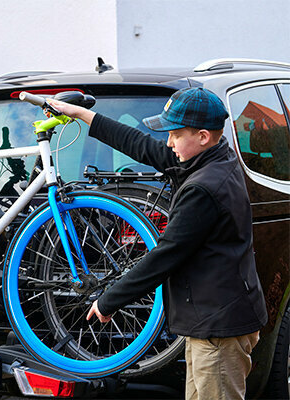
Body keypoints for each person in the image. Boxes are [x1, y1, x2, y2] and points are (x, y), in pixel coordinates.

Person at [49, 87, 268, 400]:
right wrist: (81, 115)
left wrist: (109, 299)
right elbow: (140, 145)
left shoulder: (205, 188)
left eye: (175, 134)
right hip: (212, 321)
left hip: (218, 330)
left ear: (203, 136)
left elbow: (165, 256)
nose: (168, 143)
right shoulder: (212, 159)